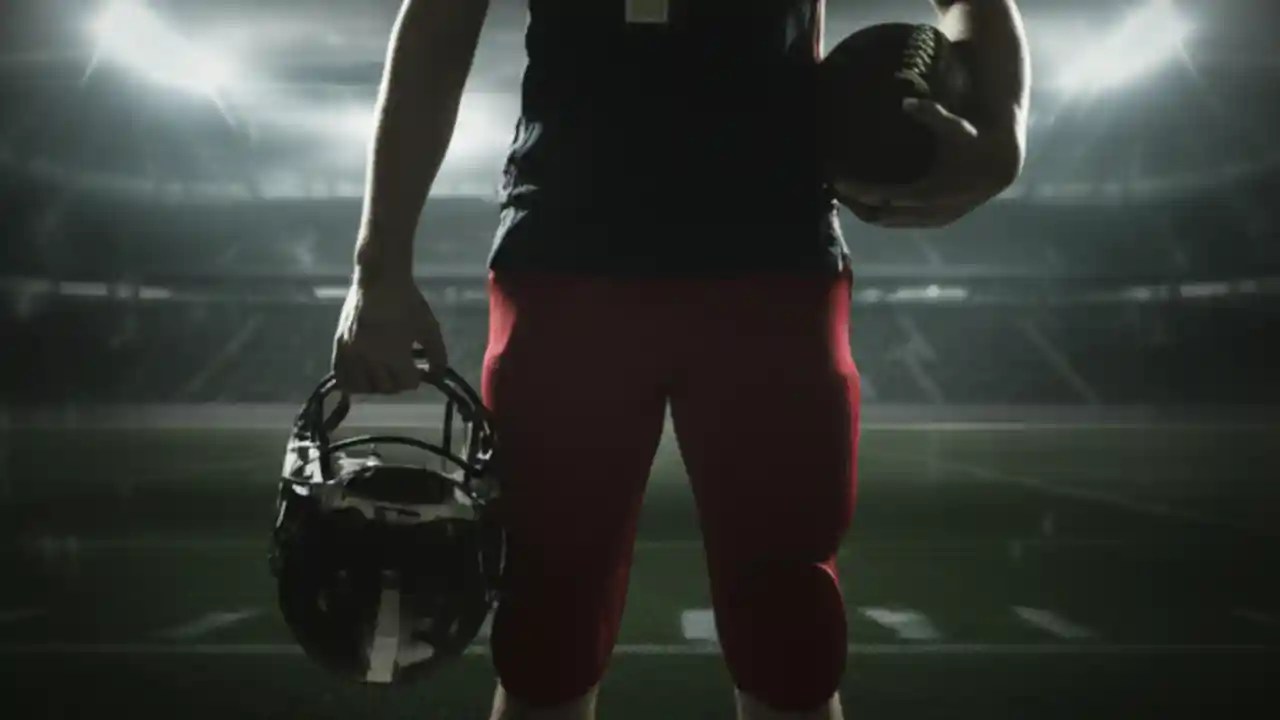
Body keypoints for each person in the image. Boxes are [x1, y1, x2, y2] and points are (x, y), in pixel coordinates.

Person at [331, 1, 1030, 719]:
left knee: (790, 634)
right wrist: (376, 264)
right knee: (549, 627)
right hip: (584, 257)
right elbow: (442, 19)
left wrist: (1002, 133)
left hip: (754, 258)